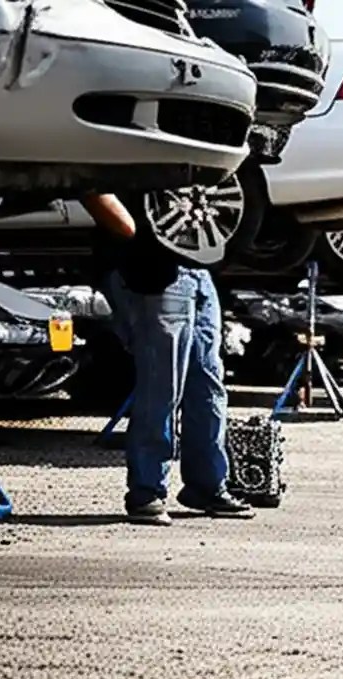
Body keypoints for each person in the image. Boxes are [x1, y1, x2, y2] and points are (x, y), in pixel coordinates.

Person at [86, 194, 253, 526]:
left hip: (195, 267)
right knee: (162, 384)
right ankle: (147, 491)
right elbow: (95, 190)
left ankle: (207, 486)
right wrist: (133, 238)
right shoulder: (137, 150)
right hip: (153, 268)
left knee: (208, 382)